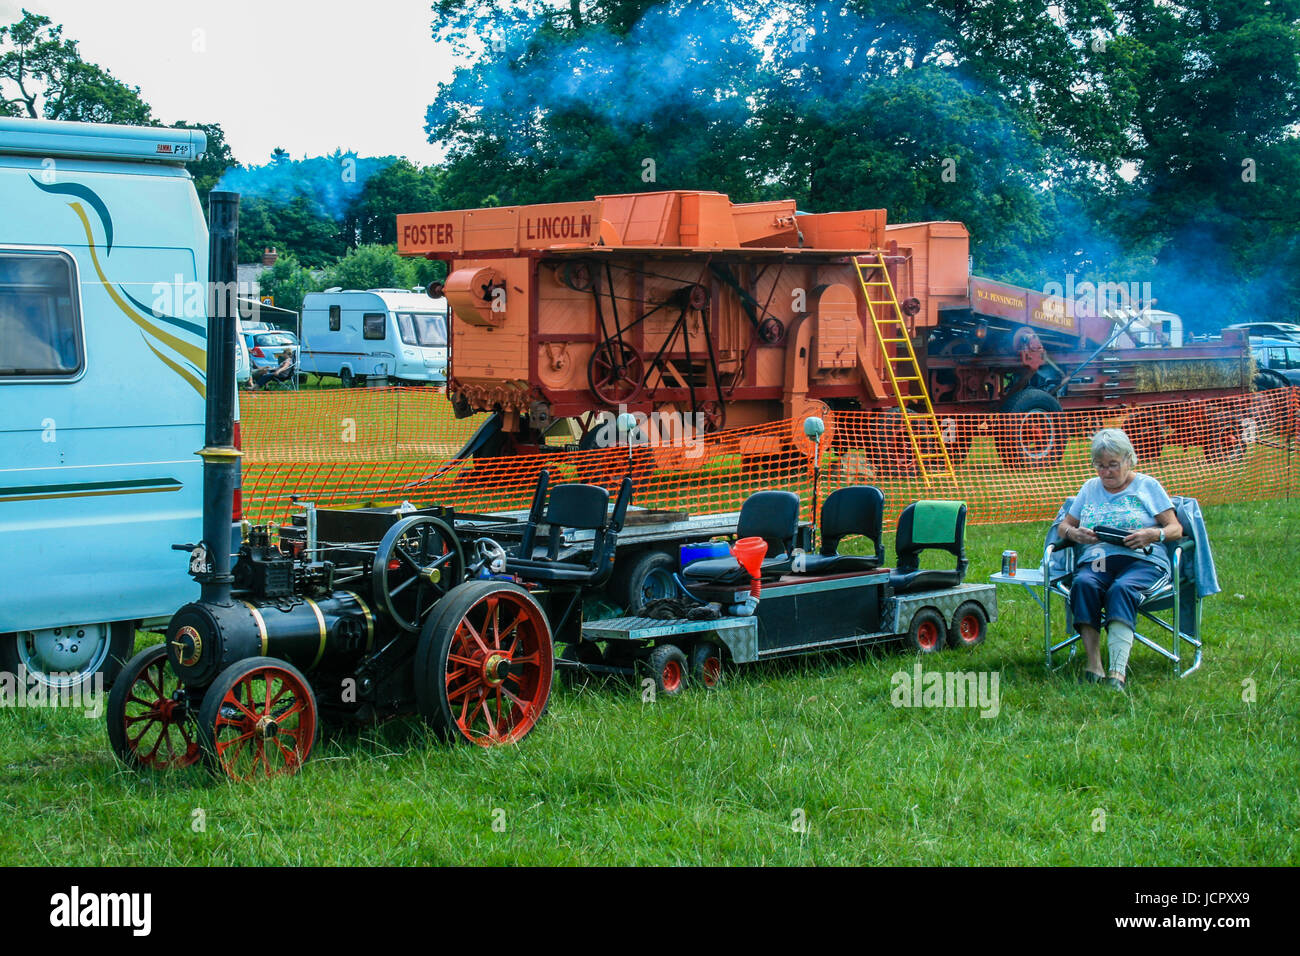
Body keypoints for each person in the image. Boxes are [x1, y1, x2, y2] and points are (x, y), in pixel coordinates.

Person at [1057, 428, 1183, 691]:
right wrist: (1075, 533)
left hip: (1142, 559)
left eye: (1113, 465)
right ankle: (1094, 666)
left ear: (1129, 459)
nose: (1106, 473)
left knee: (1122, 589)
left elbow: (1176, 529)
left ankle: (1117, 672)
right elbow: (1063, 526)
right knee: (1084, 584)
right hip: (1100, 557)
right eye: (1100, 466)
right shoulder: (1090, 488)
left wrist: (1152, 534)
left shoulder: (1148, 486)